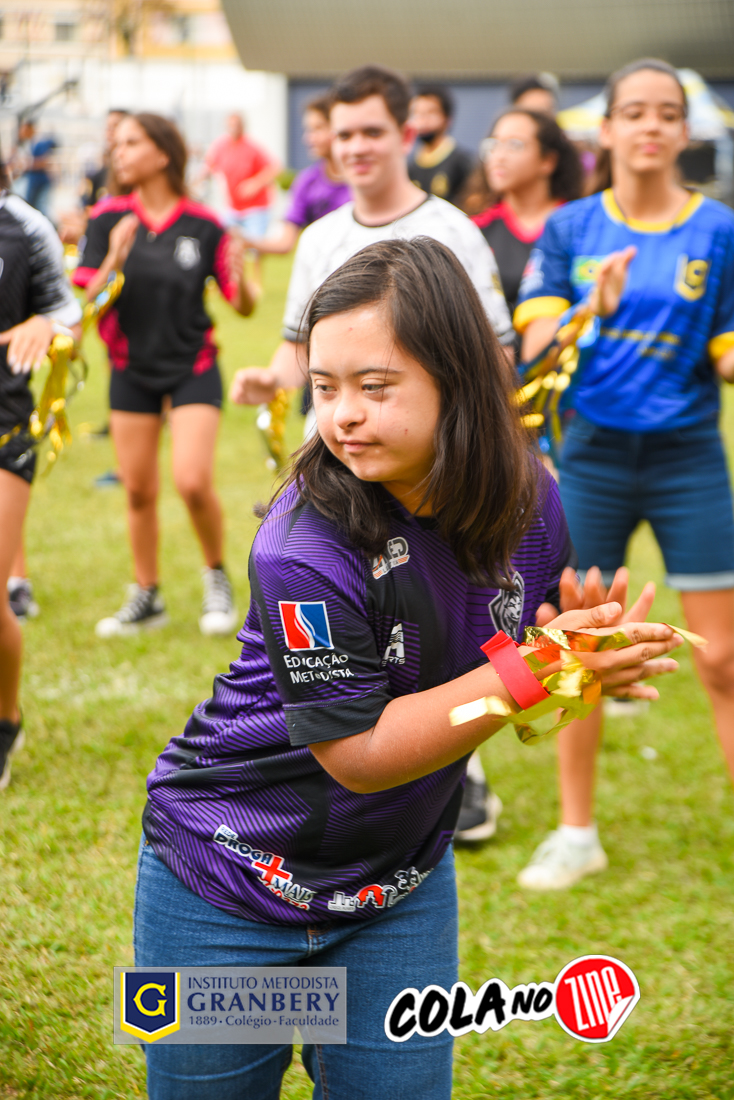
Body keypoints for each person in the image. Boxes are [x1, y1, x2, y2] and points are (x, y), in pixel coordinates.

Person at [134, 235, 681, 1100]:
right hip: (228, 887)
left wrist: (577, 661)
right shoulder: (300, 547)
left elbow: (511, 657)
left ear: (455, 379)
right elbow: (360, 753)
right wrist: (541, 665)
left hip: (398, 891)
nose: (342, 416)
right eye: (324, 388)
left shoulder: (531, 497)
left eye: (375, 386)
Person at [231, 64, 515, 842]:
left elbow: (492, 357)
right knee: (341, 626)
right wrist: (272, 378)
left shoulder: (453, 231)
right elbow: (300, 350)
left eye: (371, 132)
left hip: (432, 479)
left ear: (406, 134)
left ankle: (457, 774)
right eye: (342, 134)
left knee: (441, 622)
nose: (354, 147)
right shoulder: (320, 237)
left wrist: (501, 451)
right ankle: (322, 766)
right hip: (337, 478)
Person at [514, 58, 734, 890]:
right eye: (633, 111)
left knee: (723, 658)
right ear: (605, 130)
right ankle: (577, 834)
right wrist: (590, 311)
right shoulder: (571, 228)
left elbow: (726, 352)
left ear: (685, 130)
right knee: (582, 648)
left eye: (667, 113)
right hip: (592, 459)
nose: (650, 126)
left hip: (688, 461)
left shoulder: (718, 231)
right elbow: (535, 354)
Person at [72, 113, 257, 638]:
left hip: (193, 367)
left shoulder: (205, 224)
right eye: (117, 144)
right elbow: (84, 305)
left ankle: (216, 577)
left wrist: (242, 279)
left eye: (132, 142)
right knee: (137, 490)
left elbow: (242, 305)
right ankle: (147, 595)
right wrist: (114, 257)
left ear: (163, 153)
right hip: (131, 370)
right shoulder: (107, 218)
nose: (120, 152)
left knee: (192, 481)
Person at [0, 158, 82, 789]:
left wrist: (42, 322)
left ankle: (5, 721)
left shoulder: (26, 227)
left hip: (5, 431)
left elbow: (68, 313)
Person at [464, 108, 583, 316]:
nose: (499, 156)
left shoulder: (579, 224)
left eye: (515, 145)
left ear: (548, 161)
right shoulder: (476, 230)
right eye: (493, 145)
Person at [243, 94, 351, 257]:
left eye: (317, 129)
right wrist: (247, 242)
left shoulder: (363, 180)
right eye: (308, 130)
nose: (308, 138)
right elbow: (285, 243)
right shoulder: (307, 182)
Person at [200, 113, 281, 281]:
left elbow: (274, 168)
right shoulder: (221, 146)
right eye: (230, 125)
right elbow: (208, 166)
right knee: (224, 243)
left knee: (256, 247)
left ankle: (257, 280)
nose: (233, 128)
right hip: (233, 208)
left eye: (236, 124)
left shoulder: (252, 147)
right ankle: (231, 279)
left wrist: (254, 184)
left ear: (243, 126)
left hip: (256, 207)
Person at [407, 84, 475, 207]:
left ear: (447, 119)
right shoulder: (410, 167)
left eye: (431, 113)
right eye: (417, 113)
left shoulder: (463, 163)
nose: (423, 120)